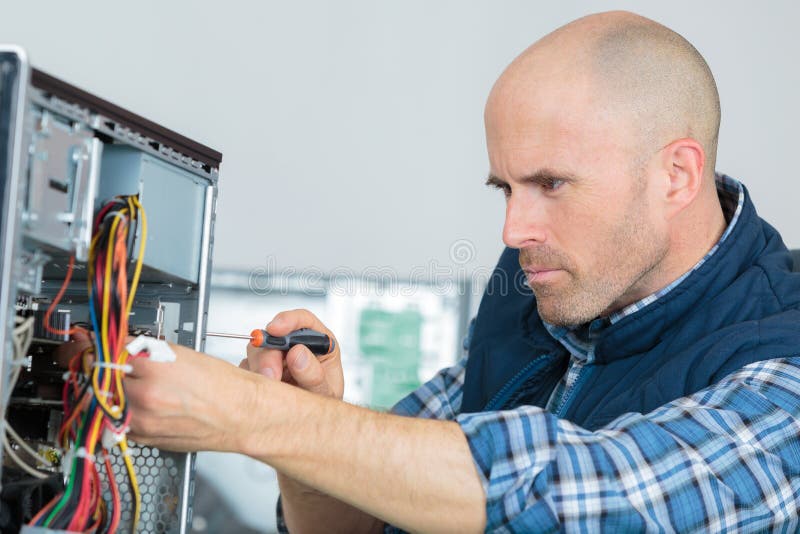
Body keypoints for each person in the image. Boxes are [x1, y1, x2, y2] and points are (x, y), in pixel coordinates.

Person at [65, 10, 800, 532]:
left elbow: (586, 497)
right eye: (504, 189)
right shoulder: (539, 298)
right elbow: (361, 520)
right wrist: (303, 416)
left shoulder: (783, 361)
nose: (515, 231)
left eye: (552, 185)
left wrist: (253, 415)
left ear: (676, 175)